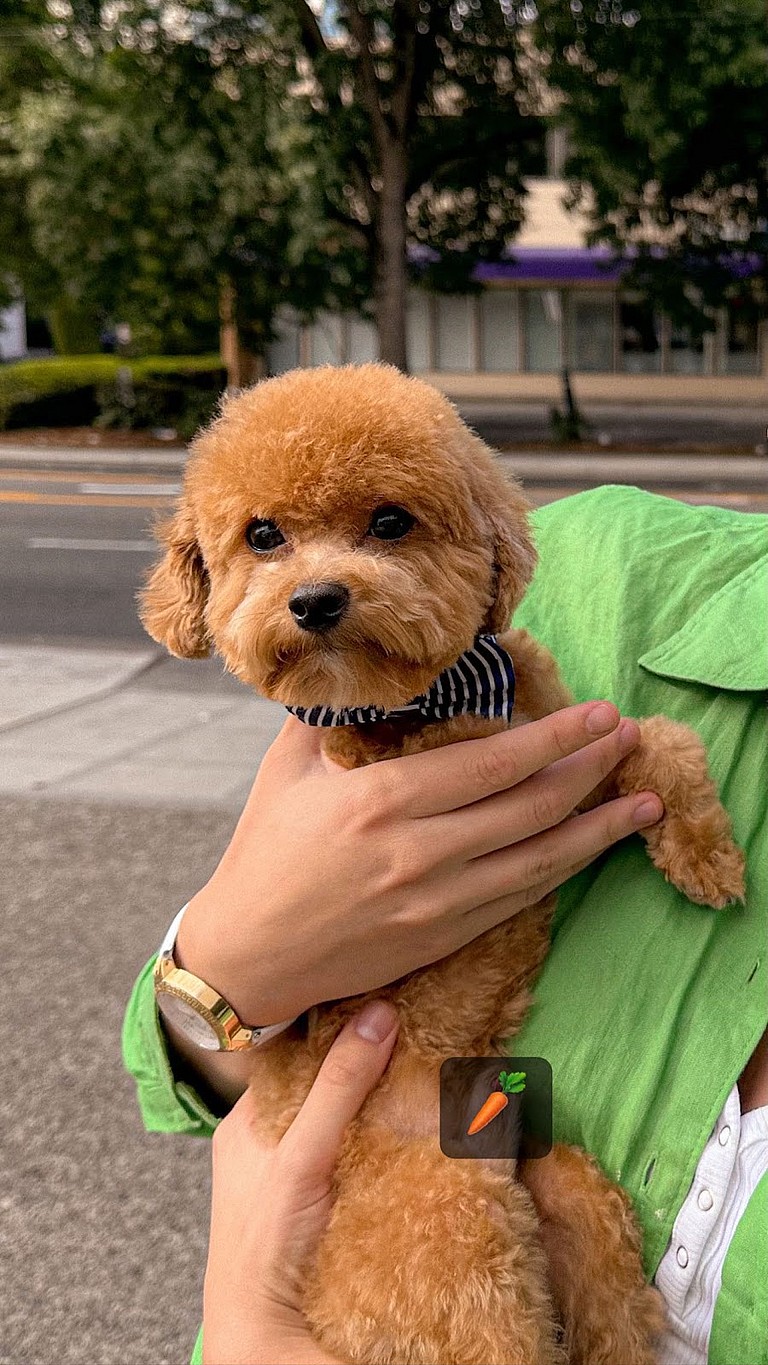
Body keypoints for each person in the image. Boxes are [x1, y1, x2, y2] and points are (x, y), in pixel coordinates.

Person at [123, 485, 768, 1365]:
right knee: (463, 1226)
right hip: (409, 1105)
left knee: (564, 1213)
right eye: (268, 538)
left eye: (389, 524)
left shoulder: (515, 629)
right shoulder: (594, 562)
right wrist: (224, 970)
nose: (317, 580)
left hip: (475, 1093)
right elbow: (184, 1056)